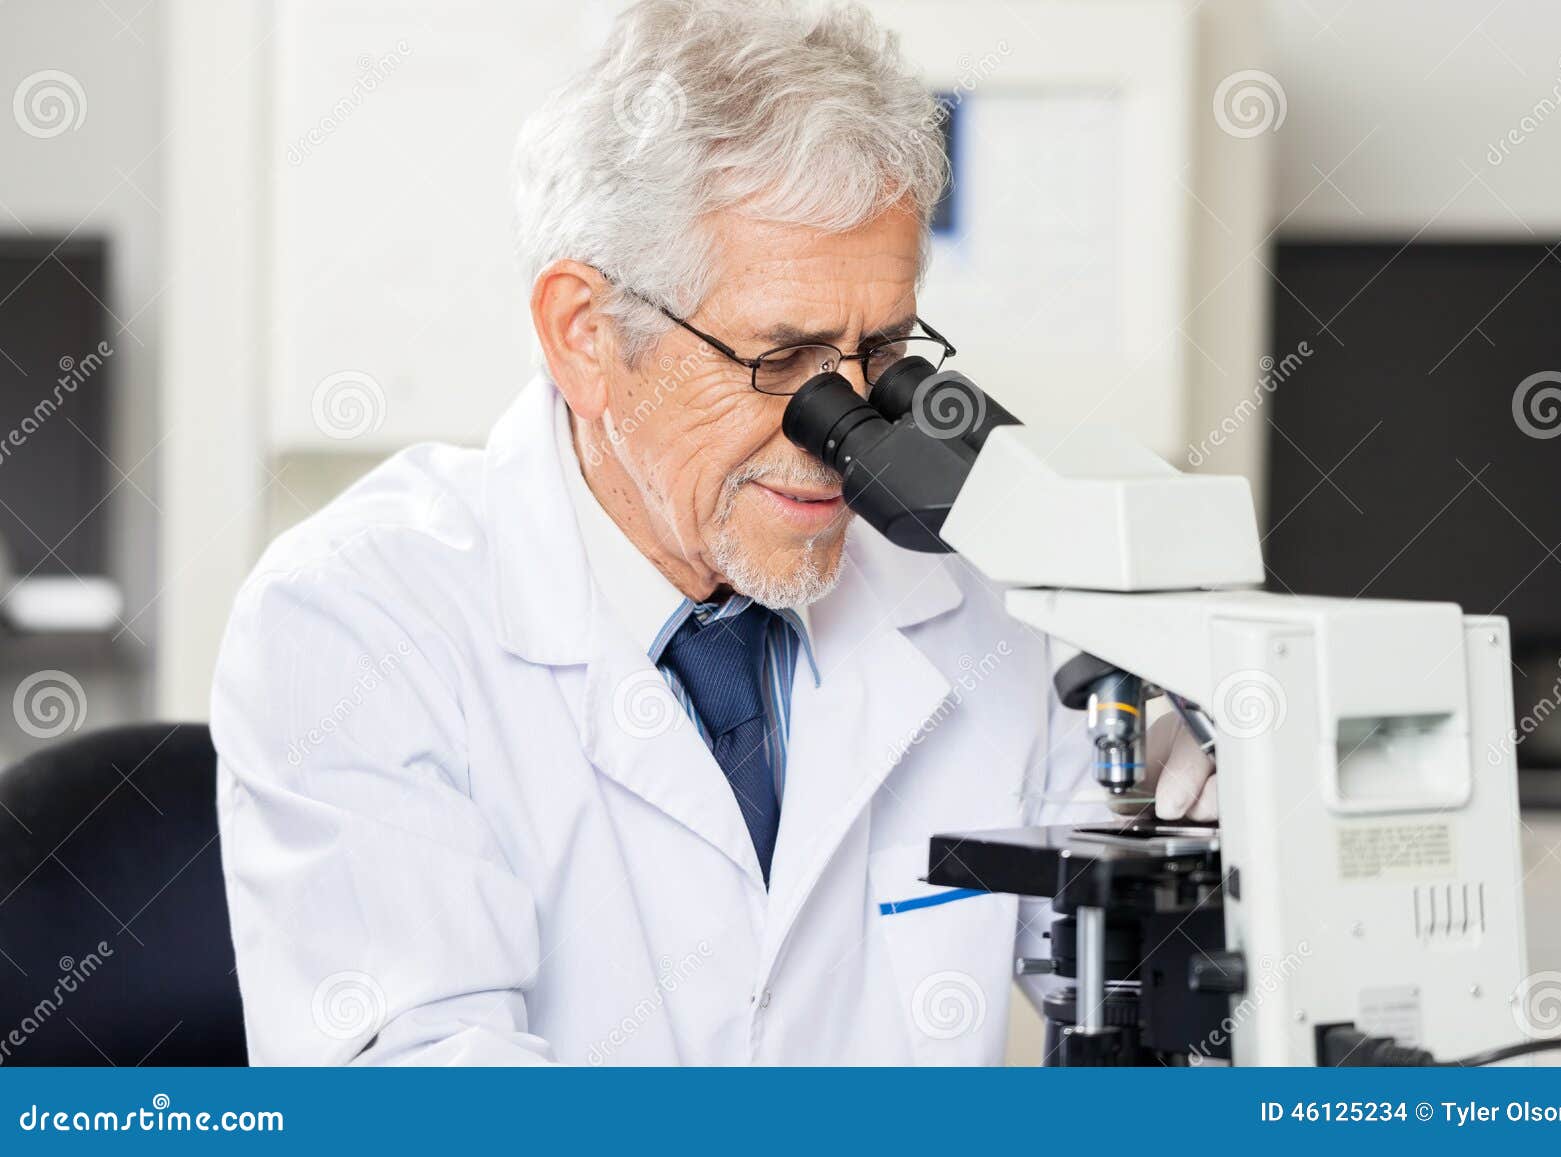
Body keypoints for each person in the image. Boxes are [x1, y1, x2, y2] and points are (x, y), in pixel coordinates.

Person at [212, 0, 1214, 1065]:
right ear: (585, 335)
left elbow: (1158, 999)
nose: (843, 432)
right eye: (780, 360)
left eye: (882, 353)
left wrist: (1242, 819)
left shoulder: (973, 588)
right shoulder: (359, 617)